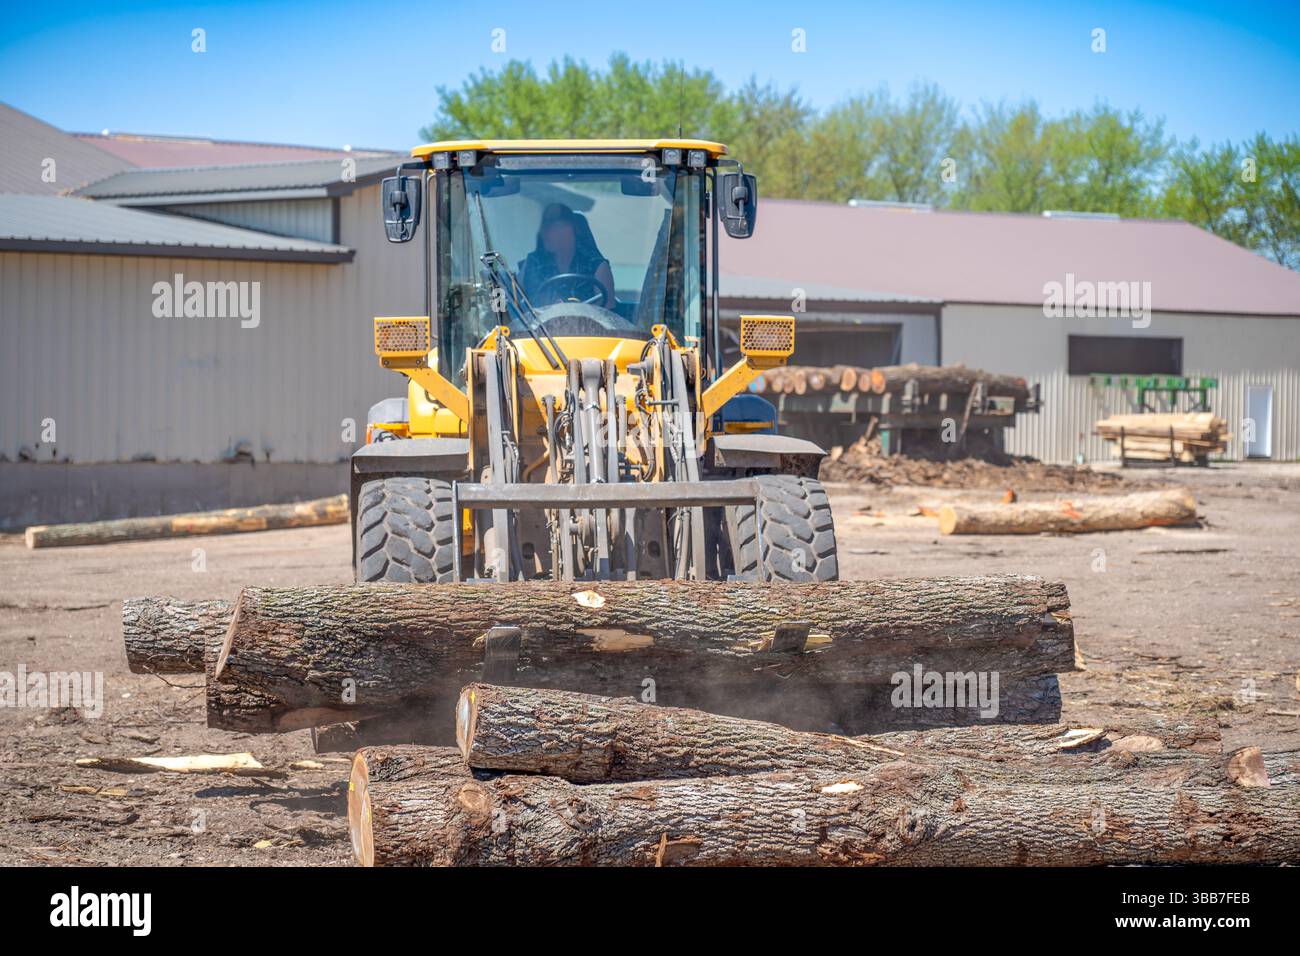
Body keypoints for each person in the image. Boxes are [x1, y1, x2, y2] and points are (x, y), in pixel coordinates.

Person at [518, 203, 615, 308]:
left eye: (555, 226)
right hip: (538, 324)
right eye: (545, 226)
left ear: (572, 230)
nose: (545, 232)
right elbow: (515, 302)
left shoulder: (597, 266)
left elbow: (607, 316)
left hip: (585, 324)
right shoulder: (532, 263)